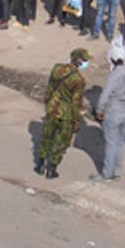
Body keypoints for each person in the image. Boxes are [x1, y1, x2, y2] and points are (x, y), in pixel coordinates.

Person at [35, 47, 89, 179]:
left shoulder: (57, 69)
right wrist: (77, 121)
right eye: (85, 60)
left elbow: (50, 88)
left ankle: (40, 164)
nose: (86, 63)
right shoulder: (79, 80)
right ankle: (52, 169)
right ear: (79, 61)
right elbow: (76, 103)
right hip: (66, 114)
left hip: (52, 108)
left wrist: (48, 103)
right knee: (62, 142)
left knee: (47, 136)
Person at [92, 42, 125, 181]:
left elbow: (104, 96)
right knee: (120, 142)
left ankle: (107, 173)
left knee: (111, 144)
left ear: (112, 60)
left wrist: (99, 110)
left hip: (113, 112)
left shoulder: (113, 76)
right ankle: (117, 171)